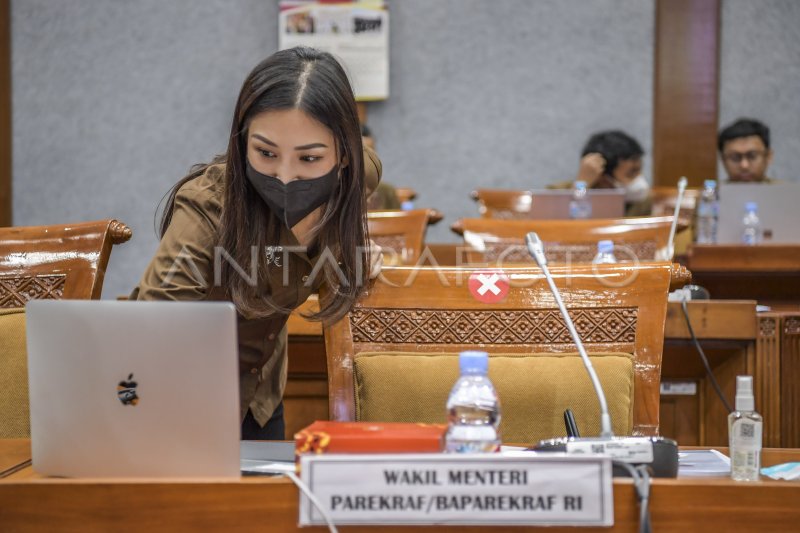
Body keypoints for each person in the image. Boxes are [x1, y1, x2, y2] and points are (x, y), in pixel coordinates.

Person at [131, 47, 383, 440]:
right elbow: (152, 324)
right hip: (179, 393)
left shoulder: (355, 177)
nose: (284, 176)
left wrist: (350, 253)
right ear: (242, 140)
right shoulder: (210, 209)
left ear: (345, 156)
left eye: (309, 159)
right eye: (265, 152)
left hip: (260, 396)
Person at [551, 130, 651, 216]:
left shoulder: (642, 202)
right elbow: (563, 222)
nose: (639, 179)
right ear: (603, 177)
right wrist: (581, 184)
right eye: (630, 174)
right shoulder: (557, 194)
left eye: (639, 171)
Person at [718, 118, 775, 183]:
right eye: (735, 158)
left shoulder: (784, 192)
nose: (744, 166)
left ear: (768, 156)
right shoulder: (713, 192)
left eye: (752, 156)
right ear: (722, 159)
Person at [361, 124, 401, 210]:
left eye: (372, 154)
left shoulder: (387, 191)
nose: (369, 160)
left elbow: (399, 221)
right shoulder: (336, 193)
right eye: (361, 154)